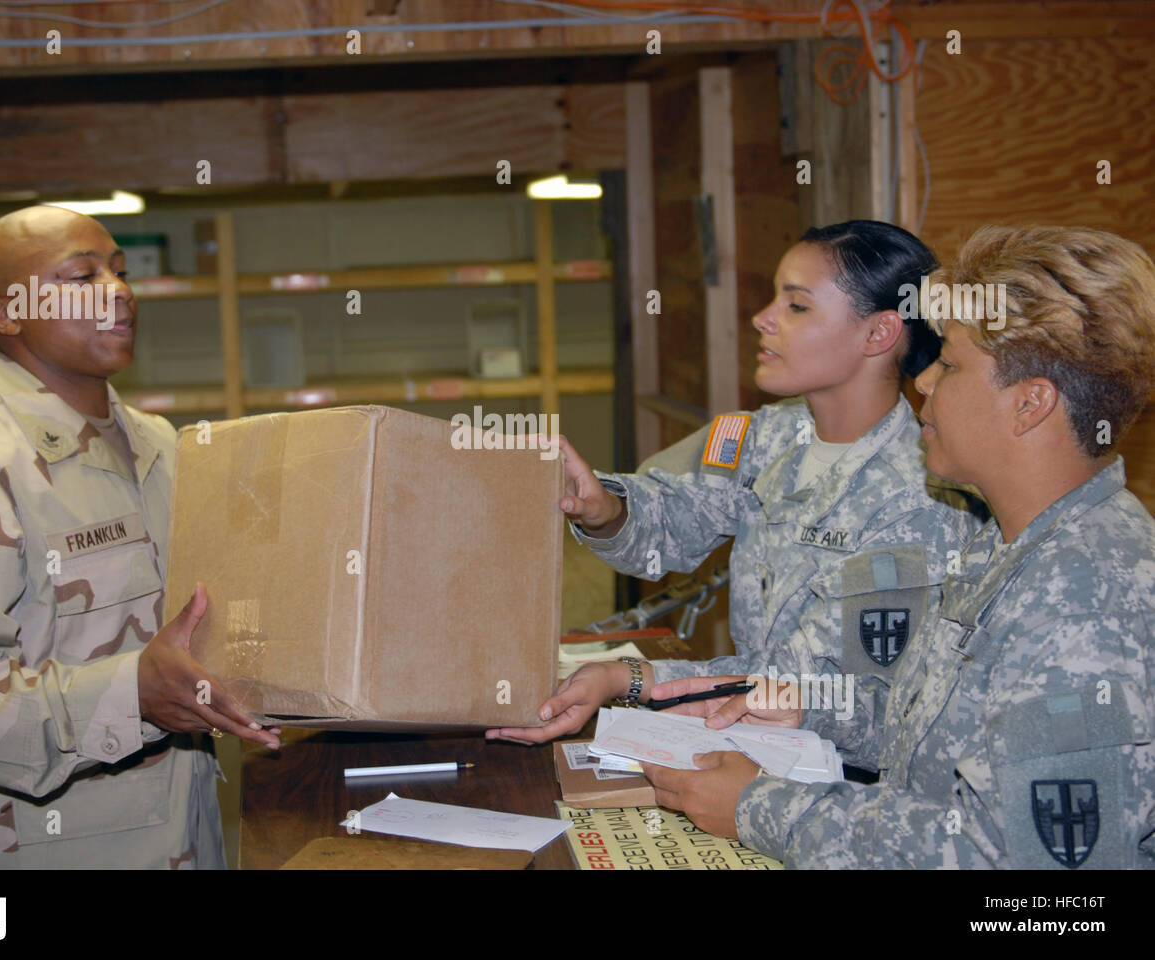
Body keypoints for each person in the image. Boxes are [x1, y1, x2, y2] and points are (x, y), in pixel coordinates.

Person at [642, 224, 1155, 869]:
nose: (923, 383)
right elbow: (938, 735)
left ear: (1030, 405)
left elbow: (1043, 882)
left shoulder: (1084, 598)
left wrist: (761, 808)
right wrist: (810, 710)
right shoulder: (1009, 544)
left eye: (952, 363)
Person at [0, 205, 280, 869]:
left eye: (119, 270)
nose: (117, 291)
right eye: (81, 277)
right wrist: (132, 693)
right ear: (7, 314)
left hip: (183, 835)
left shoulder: (159, 445)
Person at [488, 221, 984, 762]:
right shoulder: (758, 435)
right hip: (743, 741)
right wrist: (604, 509)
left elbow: (811, 689)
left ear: (878, 334)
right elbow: (672, 518)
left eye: (796, 306)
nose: (761, 318)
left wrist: (630, 678)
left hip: (838, 783)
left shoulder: (919, 499)